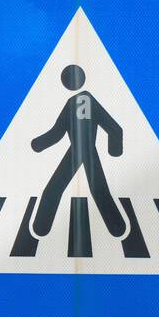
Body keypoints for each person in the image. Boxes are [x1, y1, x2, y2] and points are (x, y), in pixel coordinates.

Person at [30, 64, 127, 240]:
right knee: (98, 189)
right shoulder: (89, 100)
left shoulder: (72, 103)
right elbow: (115, 129)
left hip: (76, 151)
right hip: (88, 151)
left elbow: (56, 133)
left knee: (54, 188)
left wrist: (37, 145)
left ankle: (41, 227)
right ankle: (118, 228)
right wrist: (114, 151)